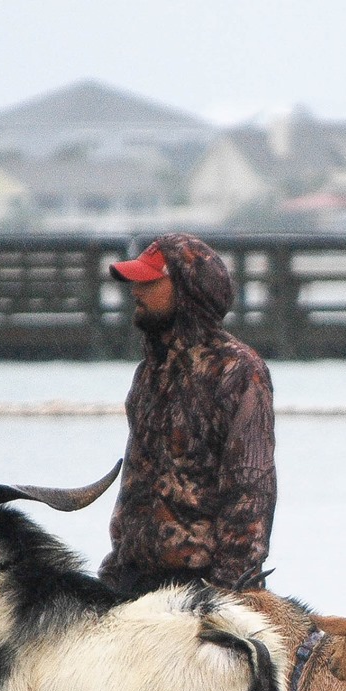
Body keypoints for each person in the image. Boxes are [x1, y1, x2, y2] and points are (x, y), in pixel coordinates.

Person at [100, 232, 277, 597]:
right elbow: (135, 480)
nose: (135, 291)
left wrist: (226, 598)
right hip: (134, 582)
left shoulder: (238, 371)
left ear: (186, 289)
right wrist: (115, 570)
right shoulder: (149, 372)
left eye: (149, 282)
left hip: (203, 589)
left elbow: (250, 492)